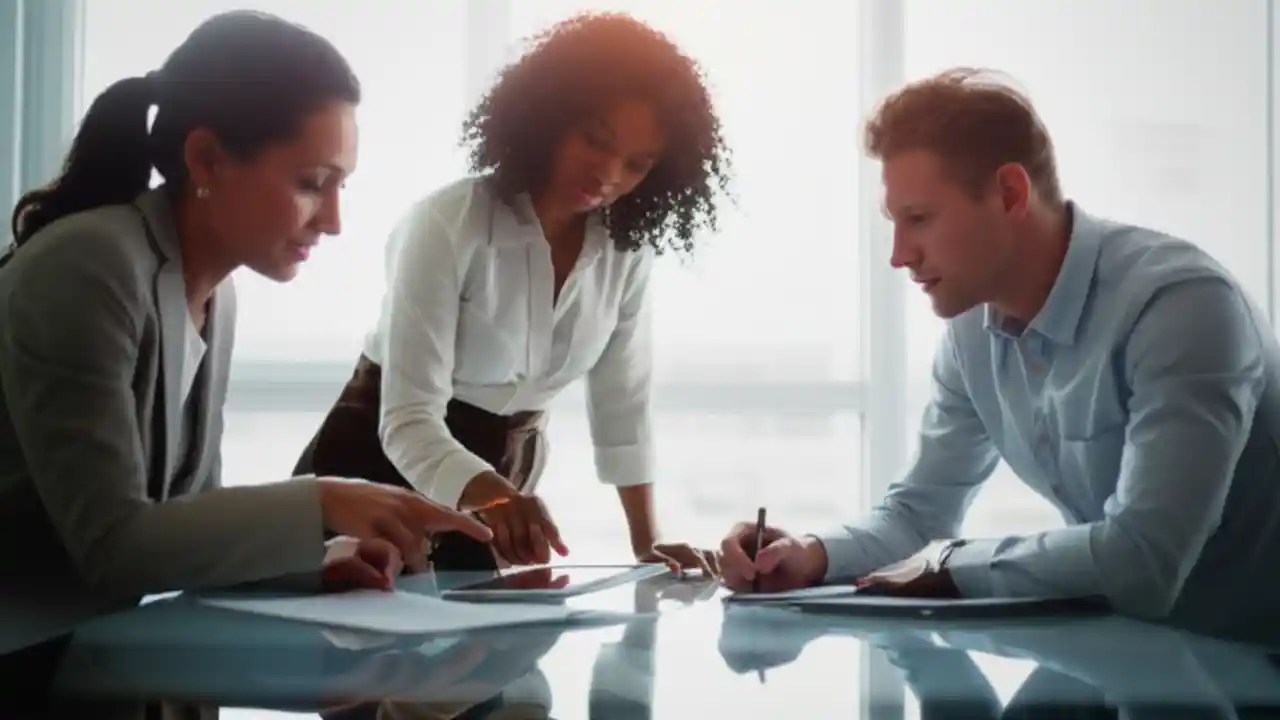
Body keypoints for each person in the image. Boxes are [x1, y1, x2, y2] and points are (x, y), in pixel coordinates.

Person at [720, 68, 1280, 639]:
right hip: (1136, 655)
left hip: (1253, 659)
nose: (899, 255)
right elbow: (920, 515)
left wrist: (950, 564)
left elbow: (1144, 561)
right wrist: (807, 555)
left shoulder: (1181, 305)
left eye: (919, 219)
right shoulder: (971, 330)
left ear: (1010, 193)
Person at [0, 10, 491, 616]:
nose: (334, 221)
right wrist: (322, 498)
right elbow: (113, 548)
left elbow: (181, 522)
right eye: (313, 183)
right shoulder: (88, 266)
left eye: (342, 186)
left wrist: (313, 561)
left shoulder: (211, 289)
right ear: (205, 158)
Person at [294, 12, 731, 574]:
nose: (608, 174)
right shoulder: (448, 224)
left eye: (637, 164)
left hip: (501, 489)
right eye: (594, 140)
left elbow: (623, 405)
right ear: (549, 116)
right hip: (374, 469)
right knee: (346, 651)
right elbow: (405, 418)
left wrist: (646, 542)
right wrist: (496, 496)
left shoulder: (625, 252)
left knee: (486, 653)